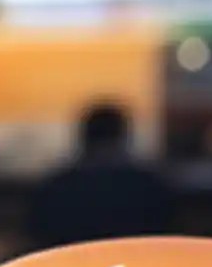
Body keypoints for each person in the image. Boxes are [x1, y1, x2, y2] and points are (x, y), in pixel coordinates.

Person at [26, 103, 175, 250]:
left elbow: (38, 234)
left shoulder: (56, 186)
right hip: (136, 263)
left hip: (71, 266)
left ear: (84, 137)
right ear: (123, 136)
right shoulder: (148, 185)